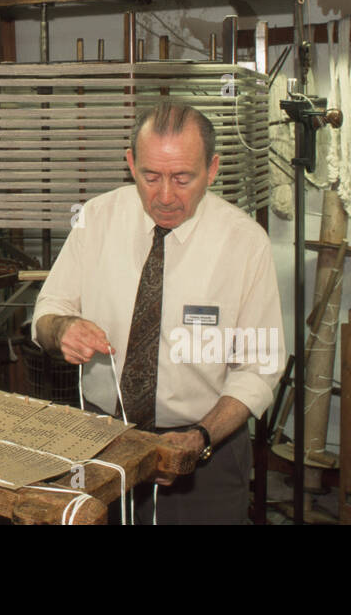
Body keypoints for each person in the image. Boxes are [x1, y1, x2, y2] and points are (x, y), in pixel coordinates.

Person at [32, 100, 285, 524]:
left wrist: (202, 436)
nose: (165, 196)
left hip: (205, 451)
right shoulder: (95, 219)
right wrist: (62, 329)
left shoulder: (245, 243)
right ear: (131, 163)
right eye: (151, 176)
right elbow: (48, 311)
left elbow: (259, 368)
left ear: (213, 168)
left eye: (183, 178)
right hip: (103, 443)